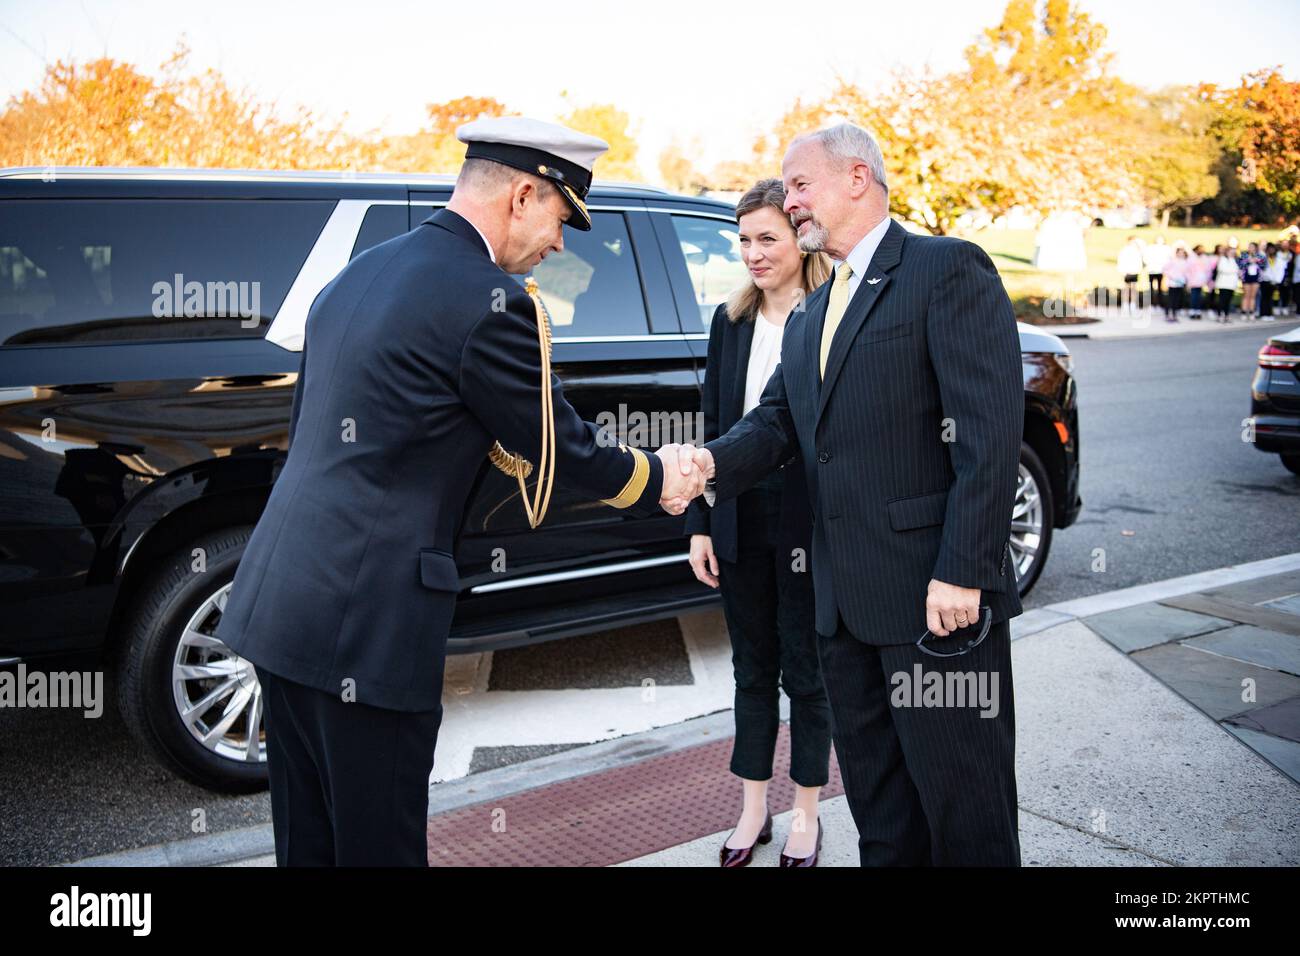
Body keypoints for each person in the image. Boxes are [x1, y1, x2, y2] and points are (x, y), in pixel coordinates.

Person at [214, 117, 706, 866]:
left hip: (283, 606)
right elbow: (563, 450)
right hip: (368, 630)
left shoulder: (357, 273)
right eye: (560, 218)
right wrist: (664, 477)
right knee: (379, 849)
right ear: (523, 195)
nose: (562, 243)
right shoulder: (491, 301)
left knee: (309, 845)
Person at [671, 123, 1024, 866]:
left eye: (800, 185)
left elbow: (988, 436)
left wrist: (963, 569)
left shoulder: (945, 269)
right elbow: (773, 425)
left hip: (935, 604)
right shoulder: (810, 313)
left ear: (857, 178)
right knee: (881, 813)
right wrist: (698, 467)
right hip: (843, 612)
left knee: (967, 812)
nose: (790, 202)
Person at [685, 178, 833, 867]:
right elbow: (714, 424)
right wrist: (700, 524)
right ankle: (752, 809)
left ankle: (806, 809)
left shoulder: (832, 314)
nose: (752, 252)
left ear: (801, 238)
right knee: (752, 670)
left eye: (767, 237)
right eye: (743, 240)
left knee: (807, 671)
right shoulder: (731, 320)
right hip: (739, 510)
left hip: (811, 520)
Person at [1213, 244, 1241, 323]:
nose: (1232, 254)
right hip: (1223, 284)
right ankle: (1220, 315)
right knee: (1222, 300)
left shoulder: (1234, 260)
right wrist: (1235, 271)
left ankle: (1226, 315)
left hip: (1231, 284)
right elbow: (1222, 269)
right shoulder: (1222, 259)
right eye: (1231, 252)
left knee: (1228, 301)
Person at [1117, 236, 1145, 315]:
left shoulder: (1138, 250)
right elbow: (1121, 260)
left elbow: (1140, 261)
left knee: (1134, 289)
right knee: (1126, 289)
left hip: (1134, 271)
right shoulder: (1124, 250)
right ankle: (1125, 305)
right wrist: (1122, 271)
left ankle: (1133, 305)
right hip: (1126, 271)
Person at [1143, 234, 1170, 311]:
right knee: (1151, 288)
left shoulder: (1166, 248)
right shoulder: (1150, 248)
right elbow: (1145, 257)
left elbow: (1168, 259)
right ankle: (1152, 304)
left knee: (1160, 289)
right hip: (1152, 270)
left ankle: (1159, 304)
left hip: (1161, 271)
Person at [1163, 243, 1189, 321]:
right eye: (1179, 252)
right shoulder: (1172, 261)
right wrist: (1172, 276)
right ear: (1177, 253)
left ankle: (1174, 314)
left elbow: (1186, 273)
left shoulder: (1185, 262)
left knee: (1177, 299)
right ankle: (1168, 314)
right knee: (1171, 299)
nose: (1181, 254)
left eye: (1182, 252)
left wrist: (1185, 280)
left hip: (1180, 283)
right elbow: (1165, 269)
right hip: (1172, 283)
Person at [1186, 243, 1213, 319]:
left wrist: (1206, 279)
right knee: (1193, 296)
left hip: (1201, 280)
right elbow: (1188, 270)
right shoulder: (1191, 258)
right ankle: (1192, 310)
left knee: (1199, 296)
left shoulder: (1205, 258)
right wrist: (1189, 279)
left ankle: (1198, 310)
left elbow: (1208, 269)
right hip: (1193, 280)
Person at [1239, 241, 1265, 317]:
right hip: (1246, 277)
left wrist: (1257, 261)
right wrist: (1249, 261)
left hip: (1255, 277)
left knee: (1253, 296)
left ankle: (1251, 312)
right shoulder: (1244, 255)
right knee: (1246, 295)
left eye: (1252, 247)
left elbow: (1263, 266)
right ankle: (1244, 312)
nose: (1250, 248)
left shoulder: (1259, 256)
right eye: (1249, 246)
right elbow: (1241, 265)